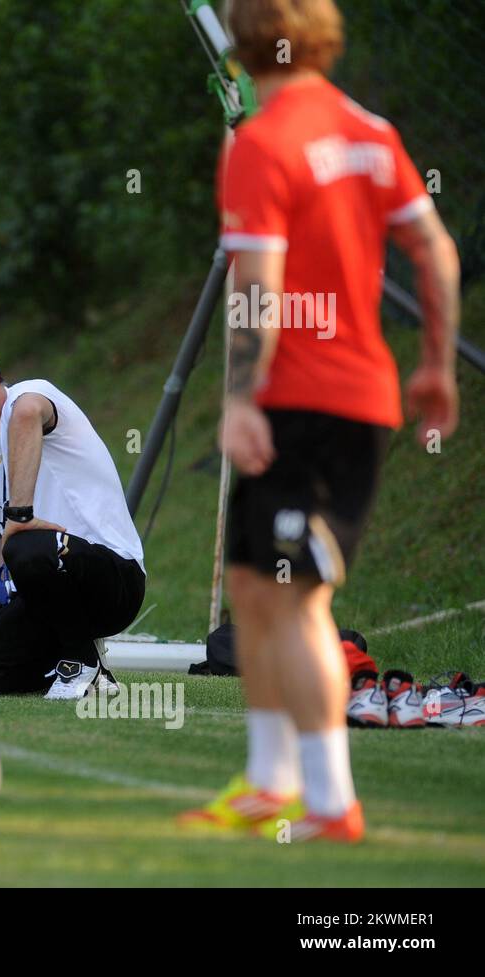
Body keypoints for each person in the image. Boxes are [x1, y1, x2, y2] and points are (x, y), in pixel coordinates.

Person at [179, 0, 460, 842]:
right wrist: (438, 365)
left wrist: (237, 399)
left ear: (239, 38)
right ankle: (270, 784)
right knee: (252, 591)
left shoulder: (261, 143)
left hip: (305, 402)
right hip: (360, 395)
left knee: (294, 601)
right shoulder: (371, 130)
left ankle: (333, 803)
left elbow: (257, 285)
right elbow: (436, 251)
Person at [0, 333, 146, 698]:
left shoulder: (27, 398)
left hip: (112, 579)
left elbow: (28, 415)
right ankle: (85, 668)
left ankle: (79, 662)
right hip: (41, 593)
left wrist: (20, 513)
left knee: (26, 546)